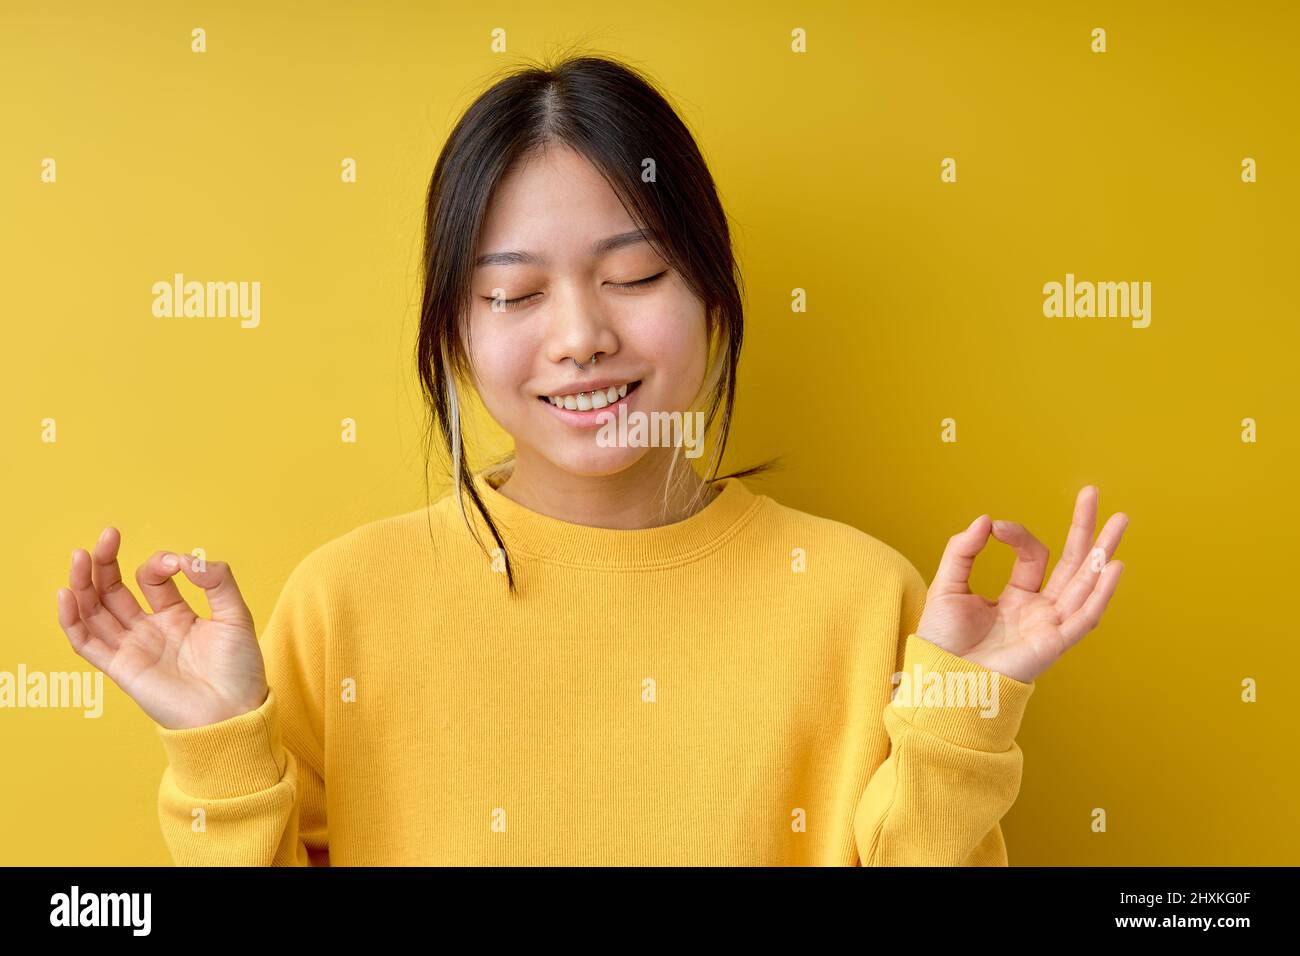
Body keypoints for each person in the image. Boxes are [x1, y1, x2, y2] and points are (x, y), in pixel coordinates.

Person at [54, 54, 1128, 866]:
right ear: (452, 334)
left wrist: (961, 726)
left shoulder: (862, 597)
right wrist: (219, 754)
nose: (579, 336)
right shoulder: (344, 602)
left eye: (635, 273)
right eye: (514, 294)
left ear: (713, 292)